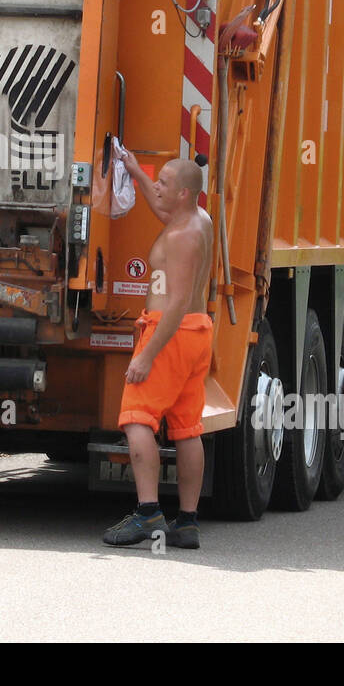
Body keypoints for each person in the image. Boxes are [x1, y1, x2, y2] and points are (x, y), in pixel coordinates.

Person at [102, 152, 214, 550]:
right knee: (186, 429)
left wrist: (146, 355)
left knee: (137, 419)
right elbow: (161, 204)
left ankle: (148, 512)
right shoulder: (197, 221)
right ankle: (187, 522)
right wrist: (134, 171)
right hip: (196, 334)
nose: (158, 187)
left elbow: (178, 301)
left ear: (183, 192)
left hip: (170, 332)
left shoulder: (182, 236)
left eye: (164, 182)